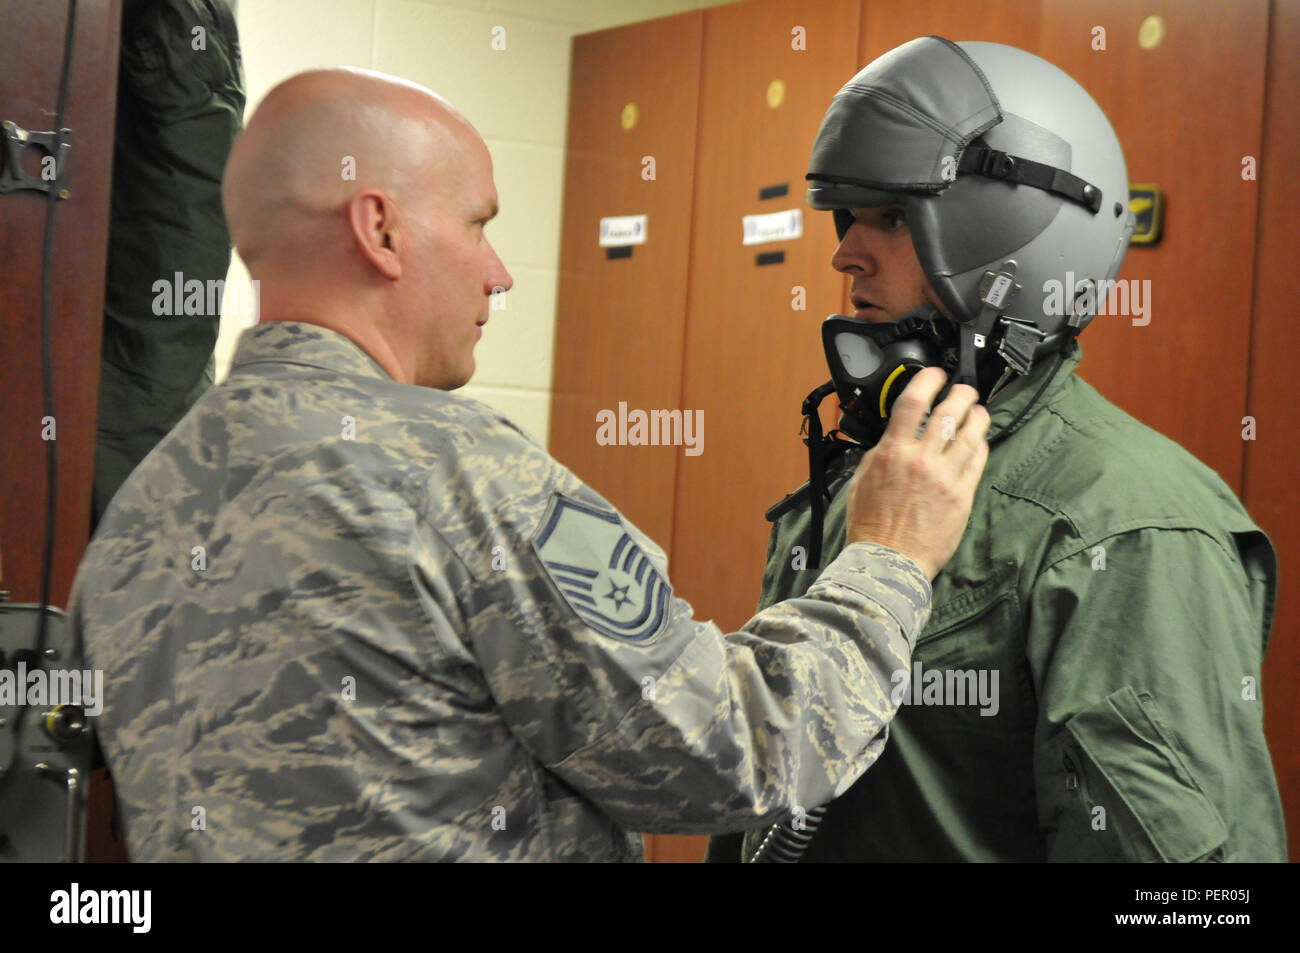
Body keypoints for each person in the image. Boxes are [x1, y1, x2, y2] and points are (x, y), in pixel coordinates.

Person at [69, 67, 991, 862]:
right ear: (380, 230)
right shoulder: (456, 477)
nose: (500, 274)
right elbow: (743, 749)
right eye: (478, 225)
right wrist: (888, 556)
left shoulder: (139, 507)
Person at [708, 36, 1286, 863]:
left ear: (1014, 247)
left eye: (891, 219)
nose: (844, 254)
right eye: (848, 216)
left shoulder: (1127, 528)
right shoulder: (871, 478)